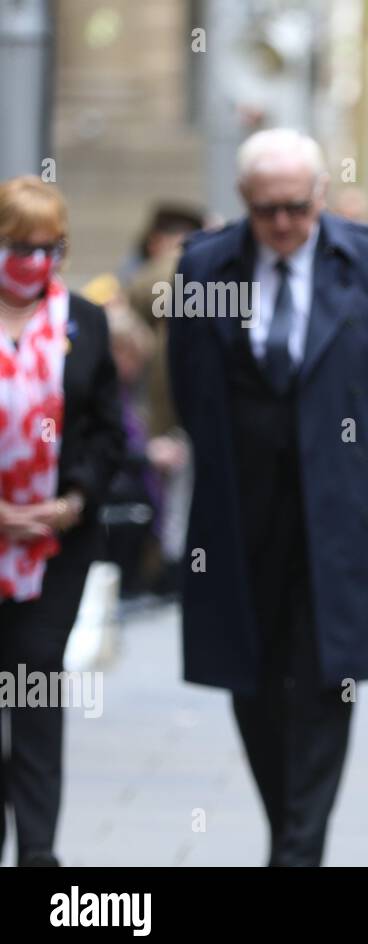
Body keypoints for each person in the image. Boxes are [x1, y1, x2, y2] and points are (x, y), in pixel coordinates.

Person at [168, 128, 368, 865]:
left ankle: (297, 849)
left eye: (296, 207)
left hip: (341, 517)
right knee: (248, 675)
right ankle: (289, 828)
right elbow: (189, 389)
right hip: (238, 517)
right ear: (245, 204)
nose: (283, 224)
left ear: (320, 196)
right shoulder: (204, 267)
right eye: (266, 210)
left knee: (326, 678)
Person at [0, 176, 125, 865]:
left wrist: (74, 498)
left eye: (49, 247)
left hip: (55, 543)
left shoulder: (85, 321)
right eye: (20, 246)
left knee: (37, 680)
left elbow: (110, 431)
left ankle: (40, 852)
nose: (34, 259)